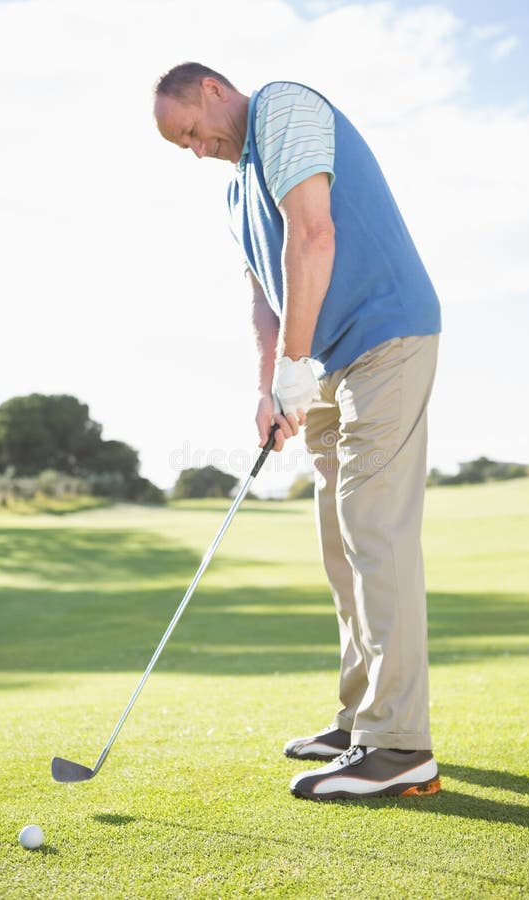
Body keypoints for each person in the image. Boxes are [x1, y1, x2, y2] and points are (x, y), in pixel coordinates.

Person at [154, 63, 442, 802]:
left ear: (213, 90)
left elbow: (313, 235)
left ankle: (400, 745)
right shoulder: (232, 193)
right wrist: (270, 386)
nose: (195, 149)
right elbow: (266, 299)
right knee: (340, 545)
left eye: (191, 130)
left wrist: (292, 367)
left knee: (374, 532)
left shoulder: (284, 108)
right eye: (180, 146)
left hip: (384, 338)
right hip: (318, 367)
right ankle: (360, 723)